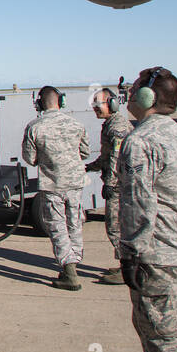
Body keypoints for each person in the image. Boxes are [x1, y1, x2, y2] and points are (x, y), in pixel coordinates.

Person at [118, 67, 177, 352]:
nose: (129, 93)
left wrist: (129, 252)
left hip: (155, 257)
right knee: (159, 333)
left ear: (147, 97)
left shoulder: (140, 141)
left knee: (167, 341)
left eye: (134, 88)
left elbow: (139, 204)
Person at [22, 86, 90, 290]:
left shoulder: (35, 127)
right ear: (60, 101)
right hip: (75, 183)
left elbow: (30, 158)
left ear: (40, 103)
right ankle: (75, 261)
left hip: (52, 185)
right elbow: (85, 153)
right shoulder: (76, 124)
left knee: (57, 226)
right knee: (75, 222)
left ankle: (69, 271)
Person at [88, 87, 133, 284]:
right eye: (94, 106)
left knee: (115, 228)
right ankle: (125, 265)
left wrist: (111, 182)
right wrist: (92, 166)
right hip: (117, 182)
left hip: (118, 185)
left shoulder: (117, 127)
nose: (95, 109)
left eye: (98, 106)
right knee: (117, 227)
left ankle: (127, 270)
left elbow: (116, 156)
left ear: (112, 104)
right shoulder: (110, 124)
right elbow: (106, 157)